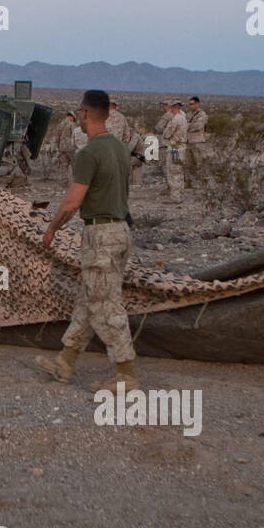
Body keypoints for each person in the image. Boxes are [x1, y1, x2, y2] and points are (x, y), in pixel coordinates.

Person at [37, 91, 140, 391]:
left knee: (106, 306)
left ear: (84, 114)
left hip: (101, 236)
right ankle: (65, 363)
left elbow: (72, 203)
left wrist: (52, 228)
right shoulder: (121, 148)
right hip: (120, 231)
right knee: (88, 301)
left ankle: (126, 374)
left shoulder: (89, 153)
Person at [161, 100, 188, 202]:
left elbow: (167, 133)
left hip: (174, 148)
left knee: (173, 172)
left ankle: (175, 196)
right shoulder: (183, 118)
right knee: (179, 171)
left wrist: (165, 135)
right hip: (182, 147)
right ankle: (180, 193)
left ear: (172, 107)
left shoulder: (175, 119)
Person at [52, 110, 87, 186]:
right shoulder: (72, 124)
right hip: (70, 147)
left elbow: (57, 137)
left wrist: (58, 146)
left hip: (62, 146)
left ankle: (64, 182)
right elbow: (75, 135)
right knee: (74, 164)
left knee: (64, 166)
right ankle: (76, 182)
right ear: (71, 116)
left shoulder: (60, 124)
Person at [185, 96, 208, 184]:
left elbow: (198, 126)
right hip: (188, 142)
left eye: (192, 104)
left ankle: (202, 181)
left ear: (197, 104)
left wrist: (188, 126)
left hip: (198, 142)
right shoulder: (188, 115)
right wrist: (189, 125)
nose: (190, 106)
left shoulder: (202, 115)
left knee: (200, 163)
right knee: (188, 163)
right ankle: (189, 181)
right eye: (189, 104)